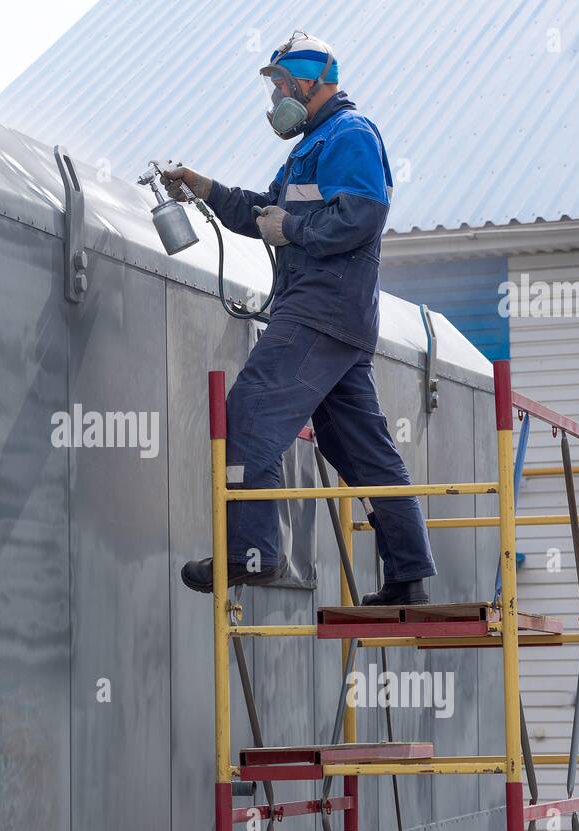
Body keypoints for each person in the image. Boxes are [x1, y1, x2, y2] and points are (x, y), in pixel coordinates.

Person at [170, 31, 436, 606]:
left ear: (315, 81)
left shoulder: (350, 135)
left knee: (246, 415)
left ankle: (253, 552)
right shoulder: (308, 148)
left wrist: (290, 229)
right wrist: (204, 188)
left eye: (283, 84)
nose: (276, 99)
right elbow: (260, 213)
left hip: (320, 310)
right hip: (332, 317)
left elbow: (362, 216)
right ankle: (408, 577)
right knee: (360, 451)